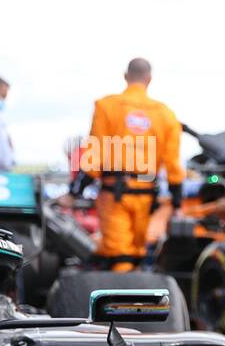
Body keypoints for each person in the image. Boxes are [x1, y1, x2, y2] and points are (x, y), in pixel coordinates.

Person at [73, 59, 184, 271]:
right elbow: (173, 162)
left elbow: (94, 154)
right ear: (149, 79)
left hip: (115, 195)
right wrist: (176, 198)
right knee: (138, 254)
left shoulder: (106, 106)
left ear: (126, 76)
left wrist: (77, 189)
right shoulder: (166, 114)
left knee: (119, 255)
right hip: (146, 196)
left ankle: (119, 298)